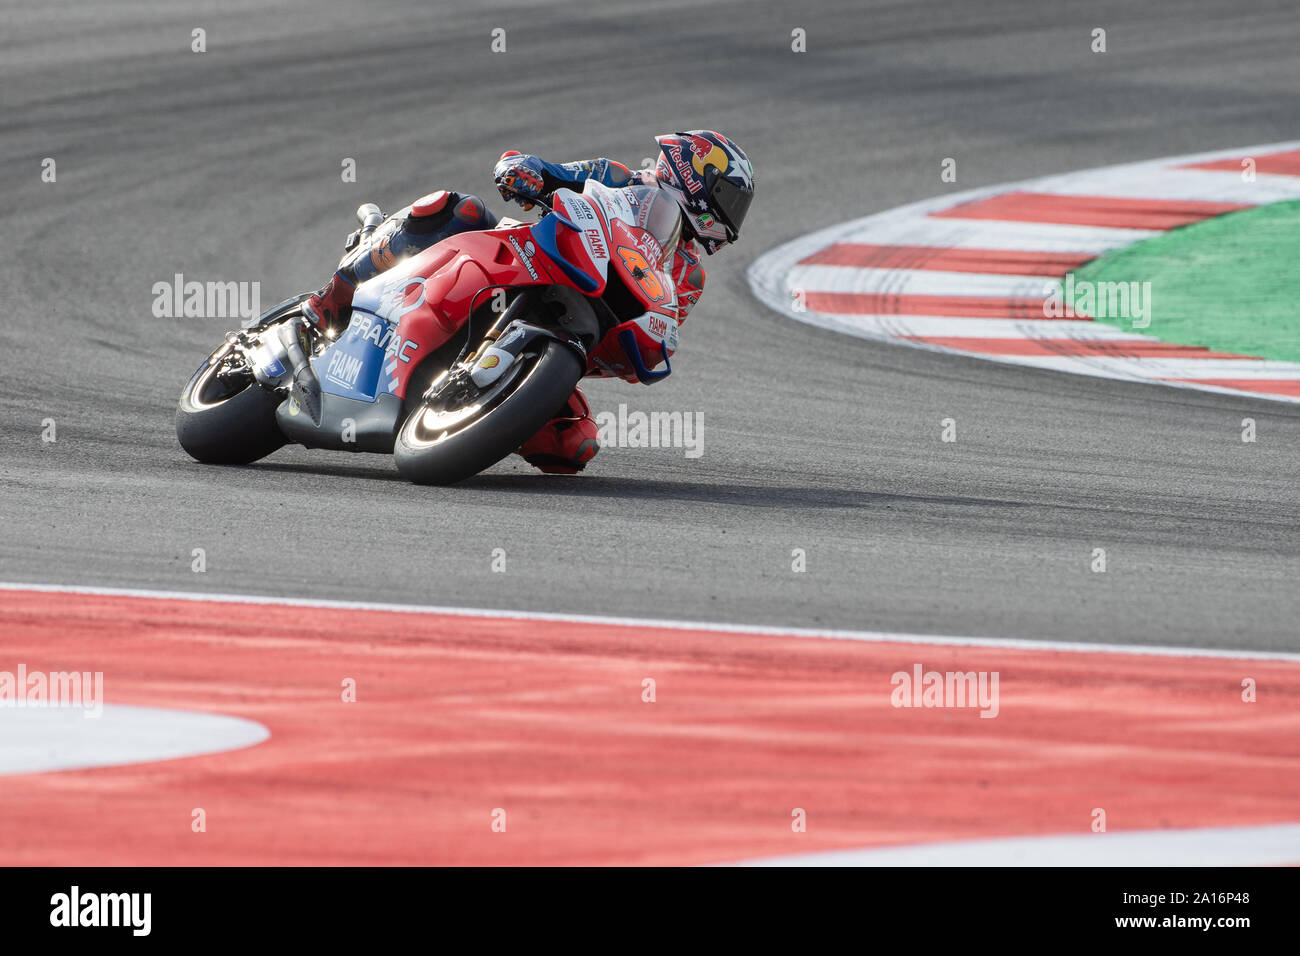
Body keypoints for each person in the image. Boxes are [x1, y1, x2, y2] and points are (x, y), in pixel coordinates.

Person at [301, 130, 755, 473]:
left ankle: (479, 410)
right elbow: (543, 169)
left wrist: (632, 349)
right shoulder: (616, 178)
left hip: (570, 328)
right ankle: (333, 295)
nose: (731, 217)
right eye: (729, 198)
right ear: (697, 174)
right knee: (455, 209)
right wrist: (523, 172)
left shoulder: (688, 276)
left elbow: (653, 327)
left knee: (573, 446)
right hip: (530, 259)